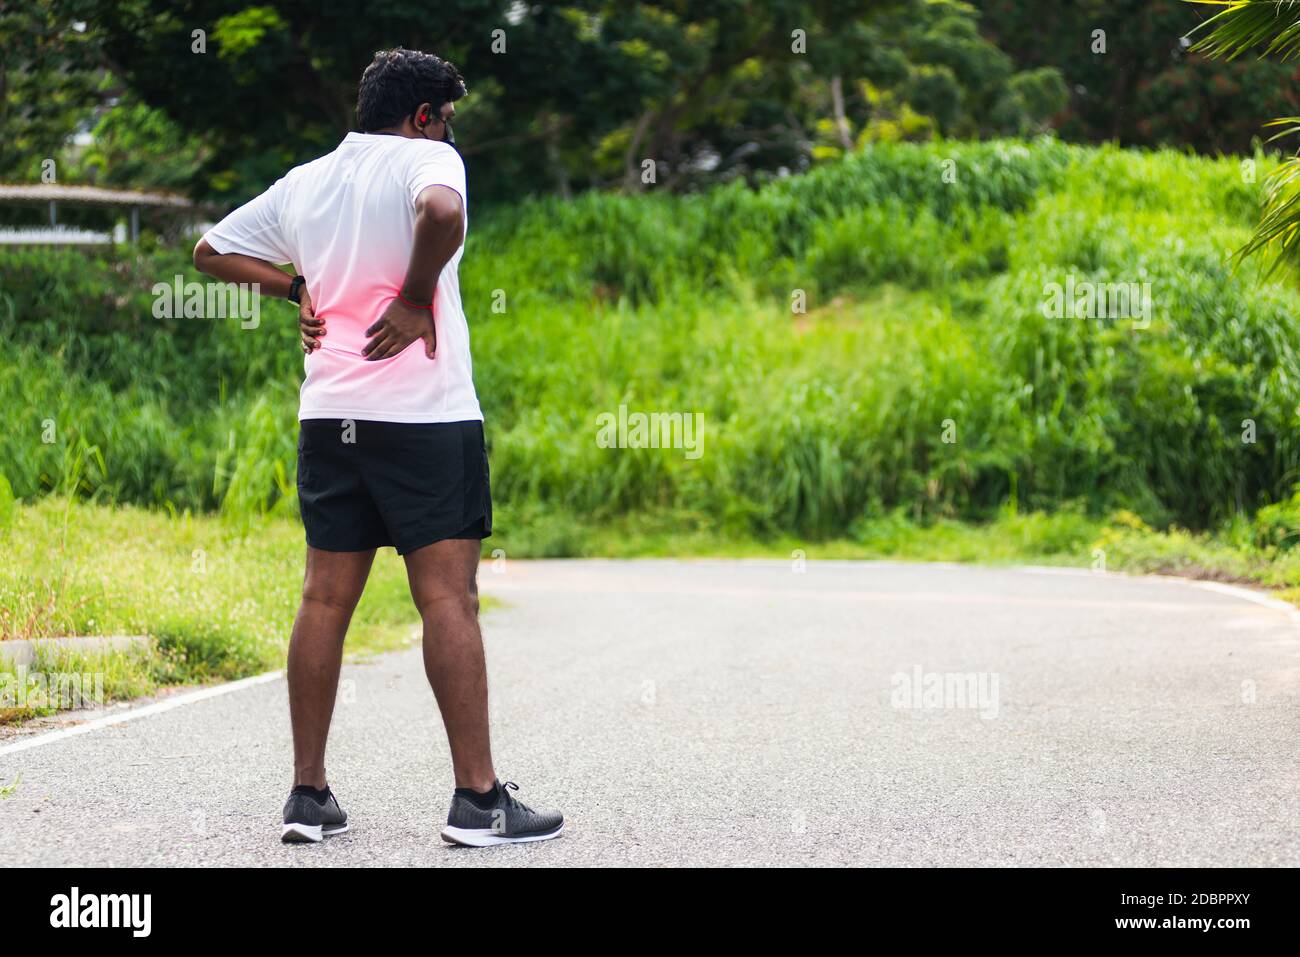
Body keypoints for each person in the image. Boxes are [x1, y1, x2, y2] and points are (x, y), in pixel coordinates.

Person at [193, 47, 563, 847]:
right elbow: (441, 215)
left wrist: (296, 288)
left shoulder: (308, 180)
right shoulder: (431, 160)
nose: (450, 131)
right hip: (424, 416)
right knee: (446, 597)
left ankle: (307, 795)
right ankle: (477, 800)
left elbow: (210, 250)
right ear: (423, 116)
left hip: (330, 416)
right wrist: (417, 296)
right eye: (448, 116)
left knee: (324, 599)